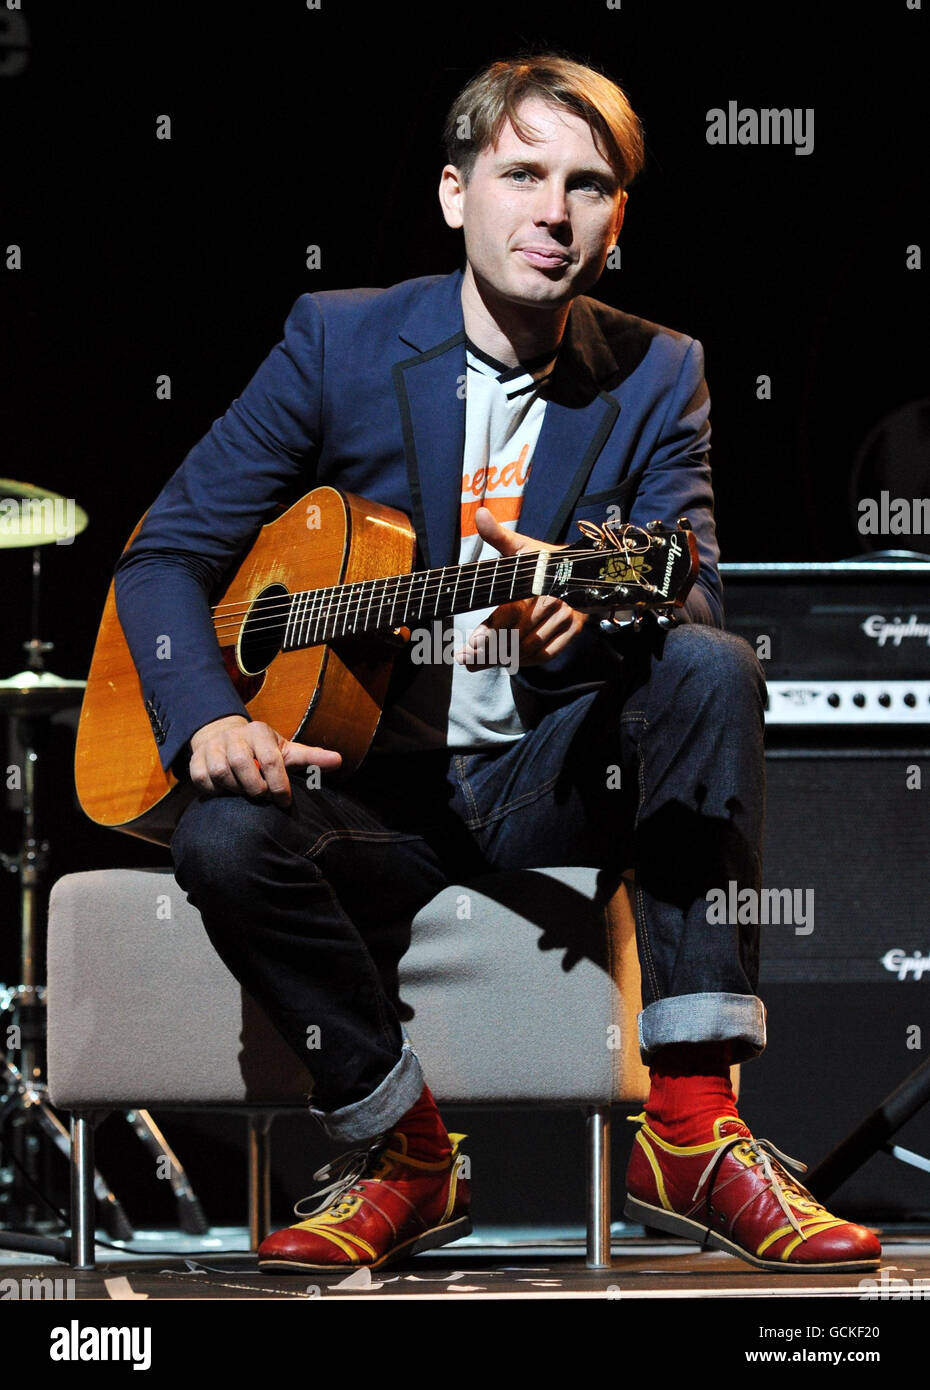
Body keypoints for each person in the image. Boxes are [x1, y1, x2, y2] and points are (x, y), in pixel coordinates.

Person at [113, 53, 881, 1275]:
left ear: (618, 218)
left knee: (710, 664)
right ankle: (402, 1151)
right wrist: (210, 716)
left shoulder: (657, 367)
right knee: (219, 835)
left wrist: (605, 621)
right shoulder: (338, 342)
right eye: (523, 173)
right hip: (371, 792)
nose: (555, 212)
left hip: (543, 770)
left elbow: (694, 583)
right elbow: (163, 560)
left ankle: (690, 1120)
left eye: (589, 186)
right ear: (454, 192)